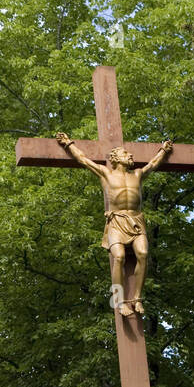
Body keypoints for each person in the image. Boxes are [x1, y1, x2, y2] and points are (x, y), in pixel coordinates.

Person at [54, 132, 173, 316]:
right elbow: (83, 159)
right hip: (116, 221)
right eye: (126, 154)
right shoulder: (106, 173)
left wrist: (163, 151)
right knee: (119, 257)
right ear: (116, 158)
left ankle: (137, 298)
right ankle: (120, 300)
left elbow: (153, 164)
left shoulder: (138, 174)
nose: (131, 155)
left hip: (136, 220)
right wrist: (68, 143)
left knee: (143, 253)